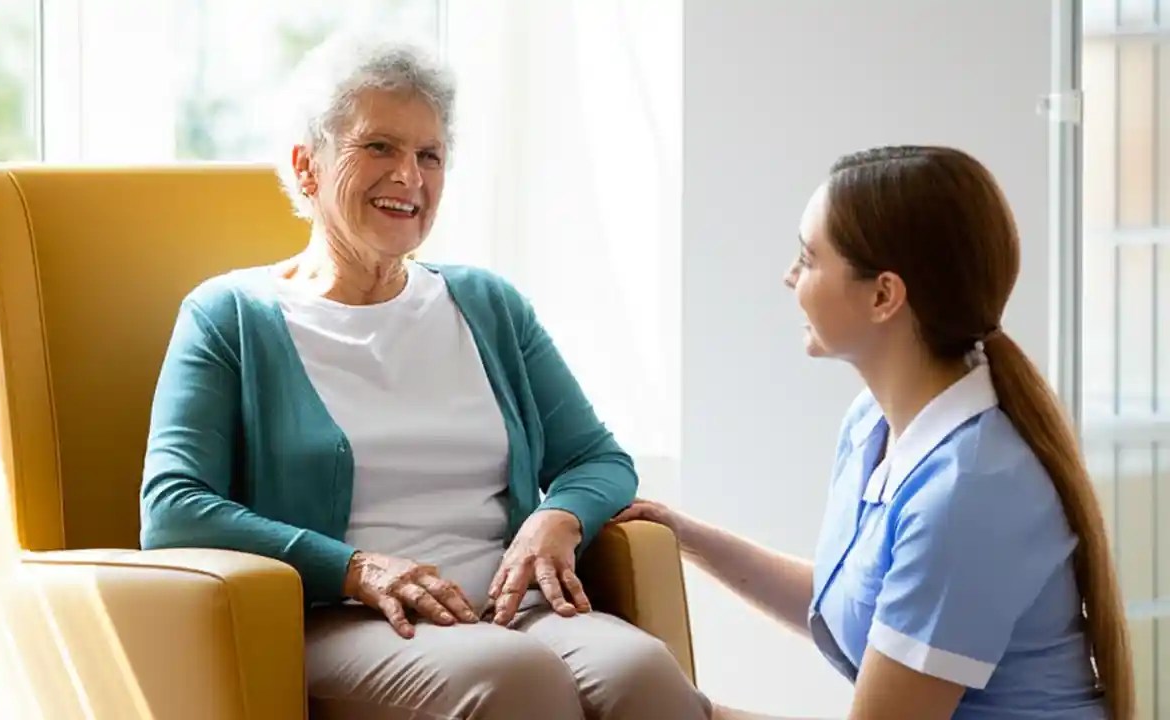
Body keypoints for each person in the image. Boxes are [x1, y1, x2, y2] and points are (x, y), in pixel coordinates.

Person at [138, 34, 711, 720]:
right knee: (514, 681)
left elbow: (597, 459)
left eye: (429, 155)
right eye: (379, 146)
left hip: (512, 610)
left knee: (640, 675)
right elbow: (173, 508)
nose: (409, 176)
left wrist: (558, 515)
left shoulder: (487, 305)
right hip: (351, 619)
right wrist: (355, 568)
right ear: (307, 166)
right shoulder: (229, 316)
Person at [616, 146, 1134, 720]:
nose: (790, 277)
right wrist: (681, 533)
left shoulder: (971, 491)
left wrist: (691, 714)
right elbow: (853, 603)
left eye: (809, 259)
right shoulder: (873, 423)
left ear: (884, 295)